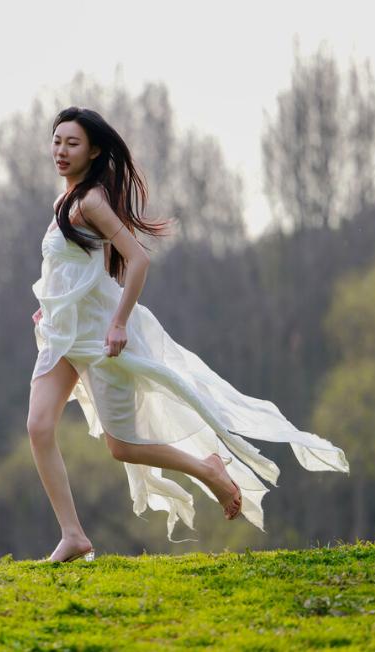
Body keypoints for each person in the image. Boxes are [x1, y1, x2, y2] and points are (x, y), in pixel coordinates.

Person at [28, 106, 349, 563]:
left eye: (72, 143)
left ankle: (208, 470)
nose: (61, 150)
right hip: (62, 338)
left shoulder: (92, 201)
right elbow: (66, 270)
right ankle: (73, 535)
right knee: (38, 427)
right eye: (56, 141)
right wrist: (48, 311)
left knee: (121, 447)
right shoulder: (64, 201)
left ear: (94, 150)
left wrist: (119, 322)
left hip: (100, 340)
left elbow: (138, 260)